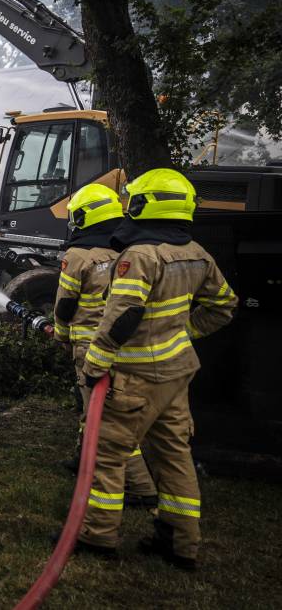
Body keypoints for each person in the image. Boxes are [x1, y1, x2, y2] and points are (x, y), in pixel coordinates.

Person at [78, 168, 238, 570]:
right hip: (177, 372)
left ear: (145, 205)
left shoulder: (140, 256)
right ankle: (181, 543)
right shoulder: (198, 253)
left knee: (107, 456)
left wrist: (95, 362)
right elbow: (224, 305)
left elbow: (124, 315)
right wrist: (182, 331)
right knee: (173, 456)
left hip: (135, 377)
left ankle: (97, 537)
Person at [52, 183, 156, 506]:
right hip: (123, 345)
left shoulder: (77, 256)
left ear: (86, 217)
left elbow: (65, 305)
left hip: (89, 347)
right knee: (92, 408)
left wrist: (59, 334)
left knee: (106, 420)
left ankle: (141, 488)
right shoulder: (126, 252)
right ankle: (83, 459)